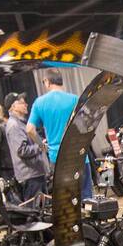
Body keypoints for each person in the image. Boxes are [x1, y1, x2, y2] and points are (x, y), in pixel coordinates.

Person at [29, 67, 91, 200]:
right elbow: (86, 124)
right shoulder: (75, 99)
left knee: (64, 200)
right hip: (78, 156)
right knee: (85, 199)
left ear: (47, 81)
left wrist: (41, 145)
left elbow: (30, 129)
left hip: (56, 158)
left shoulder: (39, 103)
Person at [4, 91, 50, 201]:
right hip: (30, 177)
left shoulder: (21, 123)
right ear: (13, 107)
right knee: (35, 212)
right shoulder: (14, 126)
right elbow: (21, 150)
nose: (26, 105)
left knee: (43, 210)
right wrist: (41, 146)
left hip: (35, 174)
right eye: (21, 103)